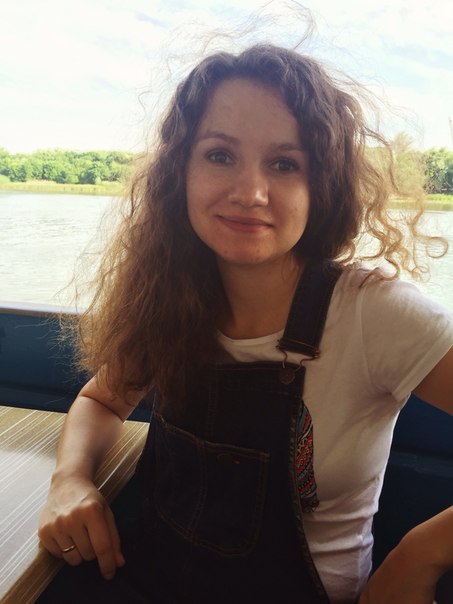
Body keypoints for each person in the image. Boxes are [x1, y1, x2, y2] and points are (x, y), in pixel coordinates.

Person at [38, 44, 453, 604]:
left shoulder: (375, 313)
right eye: (219, 155)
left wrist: (419, 556)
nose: (250, 193)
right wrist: (70, 480)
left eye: (284, 164)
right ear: (181, 172)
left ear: (322, 185)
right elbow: (102, 400)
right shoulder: (171, 298)